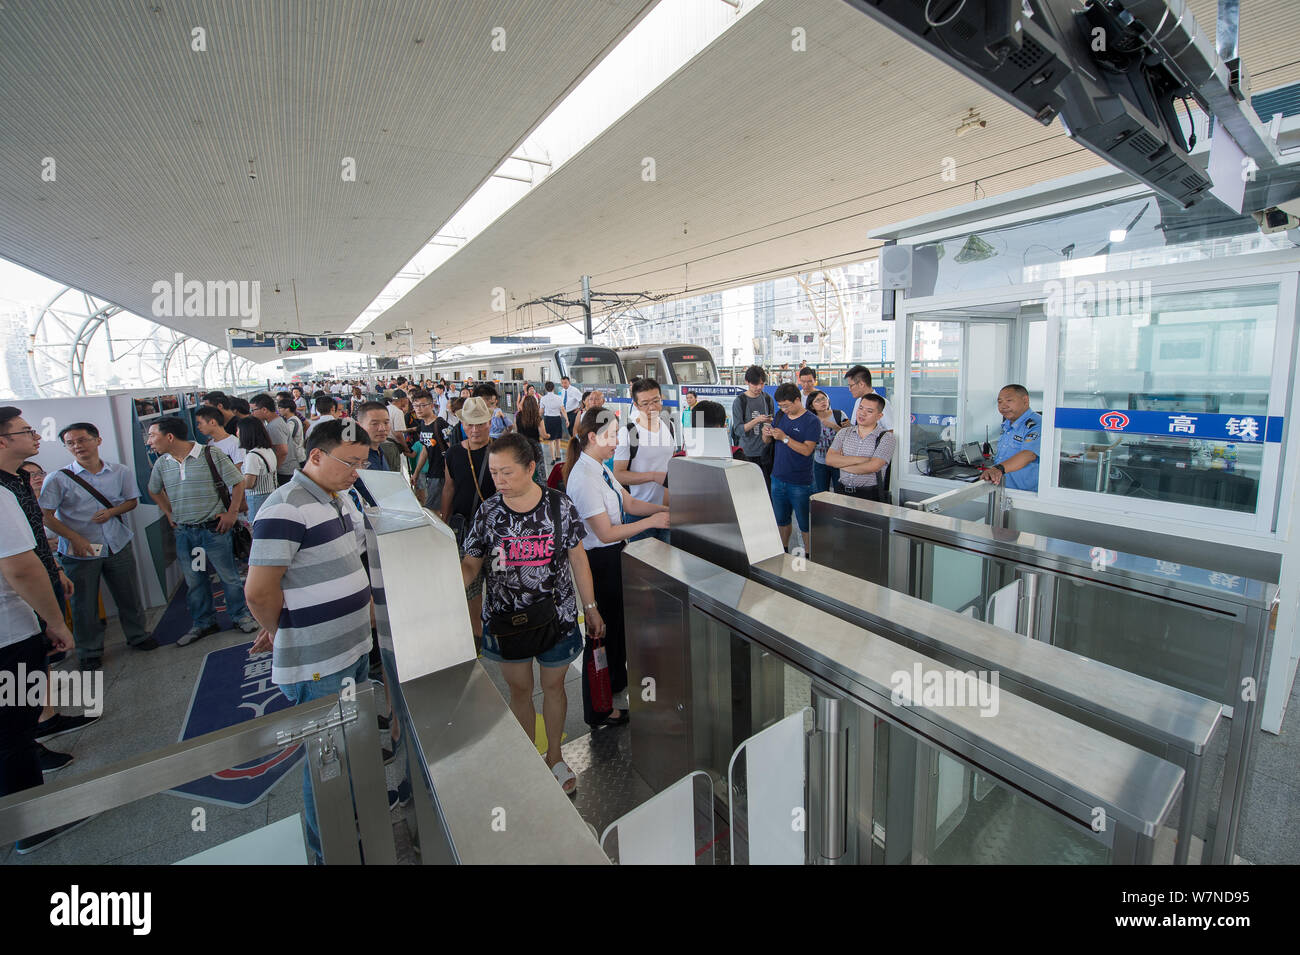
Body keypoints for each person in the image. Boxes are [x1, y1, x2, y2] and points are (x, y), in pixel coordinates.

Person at [244, 418, 374, 865]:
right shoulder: (285, 507)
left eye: (362, 463)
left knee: (349, 752)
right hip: (320, 660)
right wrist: (284, 630)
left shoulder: (336, 499)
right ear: (316, 456)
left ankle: (351, 826)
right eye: (350, 462)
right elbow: (259, 590)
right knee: (327, 763)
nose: (357, 471)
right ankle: (330, 852)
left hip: (351, 649)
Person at [460, 432, 603, 795]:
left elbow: (578, 558)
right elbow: (471, 565)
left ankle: (554, 756)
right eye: (494, 473)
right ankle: (528, 756)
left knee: (554, 686)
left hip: (557, 616)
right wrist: (441, 587)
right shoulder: (489, 512)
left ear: (530, 467)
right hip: (508, 620)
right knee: (520, 690)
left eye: (507, 472)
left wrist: (591, 607)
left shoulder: (559, 506)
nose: (500, 481)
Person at [564, 408, 668, 728]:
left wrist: (668, 509)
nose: (616, 445)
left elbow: (630, 504)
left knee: (619, 628)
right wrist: (652, 521)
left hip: (614, 558)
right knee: (603, 635)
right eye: (612, 438)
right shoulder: (583, 478)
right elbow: (605, 532)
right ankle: (599, 709)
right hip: (599, 563)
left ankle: (617, 686)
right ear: (593, 437)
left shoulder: (600, 468)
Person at [0, 408, 87, 769]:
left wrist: (53, 568)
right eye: (25, 430)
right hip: (13, 612)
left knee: (35, 677)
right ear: (3, 440)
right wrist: (55, 621)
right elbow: (19, 568)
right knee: (12, 718)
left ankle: (44, 721)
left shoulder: (19, 479)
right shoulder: (2, 491)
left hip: (34, 590)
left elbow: (33, 539)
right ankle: (26, 799)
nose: (36, 436)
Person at [0, 483, 83, 855]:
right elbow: (21, 568)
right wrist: (55, 621)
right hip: (8, 638)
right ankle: (33, 823)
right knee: (14, 729)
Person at [38, 422, 154, 669]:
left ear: (97, 441)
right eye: (71, 443)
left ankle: (138, 636)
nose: (78, 446)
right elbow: (45, 515)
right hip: (79, 551)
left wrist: (112, 511)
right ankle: (89, 651)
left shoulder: (119, 471)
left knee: (129, 595)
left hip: (116, 543)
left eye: (82, 440)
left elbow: (132, 501)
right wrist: (75, 538)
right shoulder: (58, 479)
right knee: (83, 602)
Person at [145, 416, 259, 644]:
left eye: (152, 435)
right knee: (195, 579)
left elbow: (238, 482)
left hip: (214, 530)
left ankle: (240, 616)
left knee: (229, 576)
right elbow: (154, 490)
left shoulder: (210, 455)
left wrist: (232, 513)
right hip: (187, 534)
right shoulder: (162, 463)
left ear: (169, 436)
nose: (149, 442)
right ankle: (203, 622)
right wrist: (170, 513)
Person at [441, 397, 495, 638]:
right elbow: (449, 488)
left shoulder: (500, 451)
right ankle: (477, 632)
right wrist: (444, 521)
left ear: (490, 422)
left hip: (497, 532)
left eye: (480, 423)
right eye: (470, 424)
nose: (475, 429)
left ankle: (497, 628)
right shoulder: (453, 453)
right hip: (466, 530)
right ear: (462, 423)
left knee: (499, 582)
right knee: (471, 589)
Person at [762, 382, 821, 553]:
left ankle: (809, 556)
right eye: (780, 406)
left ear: (797, 400)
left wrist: (785, 438)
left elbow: (807, 450)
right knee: (781, 520)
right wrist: (766, 435)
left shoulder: (812, 421)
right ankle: (783, 551)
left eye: (786, 406)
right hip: (777, 478)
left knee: (805, 524)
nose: (784, 409)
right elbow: (768, 442)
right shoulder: (780, 416)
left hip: (800, 482)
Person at [613, 378, 674, 523]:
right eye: (645, 404)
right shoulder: (628, 432)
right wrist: (653, 476)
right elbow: (619, 475)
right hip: (639, 512)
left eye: (655, 401)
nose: (652, 407)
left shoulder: (669, 426)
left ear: (661, 399)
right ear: (636, 405)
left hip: (667, 509)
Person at [826, 394, 895, 500]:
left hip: (869, 495)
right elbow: (830, 459)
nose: (862, 413)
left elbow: (873, 467)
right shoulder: (843, 433)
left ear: (879, 416)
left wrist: (841, 465)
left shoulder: (886, 438)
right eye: (861, 408)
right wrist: (863, 460)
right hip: (842, 492)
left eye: (869, 411)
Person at [980, 384, 1041, 491]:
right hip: (1003, 488)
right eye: (1000, 402)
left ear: (1025, 401)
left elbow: (1029, 454)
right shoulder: (1008, 425)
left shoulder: (1037, 424)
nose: (1003, 406)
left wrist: (998, 469)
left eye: (1009, 400)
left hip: (1024, 494)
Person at [733, 365, 775, 491]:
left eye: (762, 384)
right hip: (747, 453)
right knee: (748, 490)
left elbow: (772, 420)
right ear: (747, 382)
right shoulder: (740, 401)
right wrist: (757, 420)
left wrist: (769, 422)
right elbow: (738, 430)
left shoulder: (767, 399)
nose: (759, 387)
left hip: (766, 453)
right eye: (755, 384)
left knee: (766, 489)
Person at [408, 389, 449, 507]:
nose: (418, 409)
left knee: (433, 508)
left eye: (422, 405)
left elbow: (452, 450)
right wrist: (416, 473)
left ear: (431, 405)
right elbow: (425, 450)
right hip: (431, 473)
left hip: (441, 474)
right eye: (415, 406)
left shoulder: (441, 424)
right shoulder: (423, 425)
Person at [236, 417, 278, 524]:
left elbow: (249, 483)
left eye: (238, 430)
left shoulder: (252, 456)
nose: (237, 433)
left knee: (256, 526)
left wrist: (234, 480)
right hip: (271, 494)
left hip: (257, 498)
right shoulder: (267, 450)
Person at [807, 389, 847, 494]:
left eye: (824, 399)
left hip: (838, 461)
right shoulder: (810, 420)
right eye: (817, 401)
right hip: (819, 462)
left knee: (840, 493)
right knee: (821, 493)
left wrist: (834, 427)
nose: (822, 402)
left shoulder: (839, 414)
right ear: (812, 406)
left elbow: (849, 436)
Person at [250, 394, 292, 487]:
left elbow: (282, 451)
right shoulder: (275, 422)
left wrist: (273, 469)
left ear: (264, 409)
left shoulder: (274, 426)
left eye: (253, 410)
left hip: (284, 471)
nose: (252, 413)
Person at [845, 364, 895, 433]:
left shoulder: (882, 403)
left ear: (861, 384)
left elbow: (891, 430)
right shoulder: (858, 401)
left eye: (851, 386)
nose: (849, 389)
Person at [355, 402, 402, 472]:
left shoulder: (381, 451)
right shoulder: (356, 458)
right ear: (359, 426)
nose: (382, 428)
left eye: (386, 423)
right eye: (374, 424)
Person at [514, 391, 547, 488]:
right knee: (538, 469)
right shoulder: (537, 418)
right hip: (535, 447)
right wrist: (548, 436)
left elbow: (516, 430)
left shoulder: (518, 416)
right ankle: (540, 489)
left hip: (521, 446)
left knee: (523, 467)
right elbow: (543, 435)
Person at [277, 397, 307, 469]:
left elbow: (286, 438)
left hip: (297, 456)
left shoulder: (291, 422)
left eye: (280, 408)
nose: (278, 410)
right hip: (300, 454)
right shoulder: (295, 419)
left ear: (287, 409)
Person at [539, 382, 566, 462]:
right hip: (557, 419)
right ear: (553, 388)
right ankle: (558, 456)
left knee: (551, 440)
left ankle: (553, 458)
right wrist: (567, 419)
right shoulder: (559, 398)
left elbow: (541, 411)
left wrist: (537, 418)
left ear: (546, 389)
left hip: (548, 419)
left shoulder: (543, 398)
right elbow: (563, 410)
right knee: (558, 439)